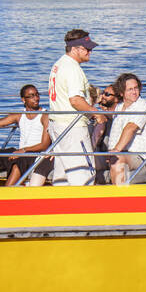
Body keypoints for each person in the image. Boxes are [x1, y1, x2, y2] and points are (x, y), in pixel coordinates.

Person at [46, 28, 100, 186]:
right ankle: (84, 207)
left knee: (62, 174)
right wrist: (95, 113)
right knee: (83, 173)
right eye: (87, 49)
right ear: (75, 49)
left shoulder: (58, 64)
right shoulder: (73, 68)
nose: (90, 52)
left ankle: (60, 206)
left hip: (57, 124)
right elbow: (75, 100)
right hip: (73, 127)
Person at [0, 85, 53, 186]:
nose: (36, 98)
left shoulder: (45, 116)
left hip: (35, 154)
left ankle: (7, 194)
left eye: (37, 95)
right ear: (23, 100)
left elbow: (44, 145)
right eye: (31, 96)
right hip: (21, 152)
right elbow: (1, 122)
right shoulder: (20, 115)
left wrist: (24, 150)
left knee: (18, 162)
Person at [107, 73, 146, 186]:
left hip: (139, 157)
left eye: (136, 88)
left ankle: (119, 199)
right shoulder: (119, 107)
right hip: (117, 152)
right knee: (88, 158)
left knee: (117, 160)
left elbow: (130, 128)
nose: (134, 92)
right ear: (121, 92)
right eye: (130, 89)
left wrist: (115, 151)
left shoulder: (141, 105)